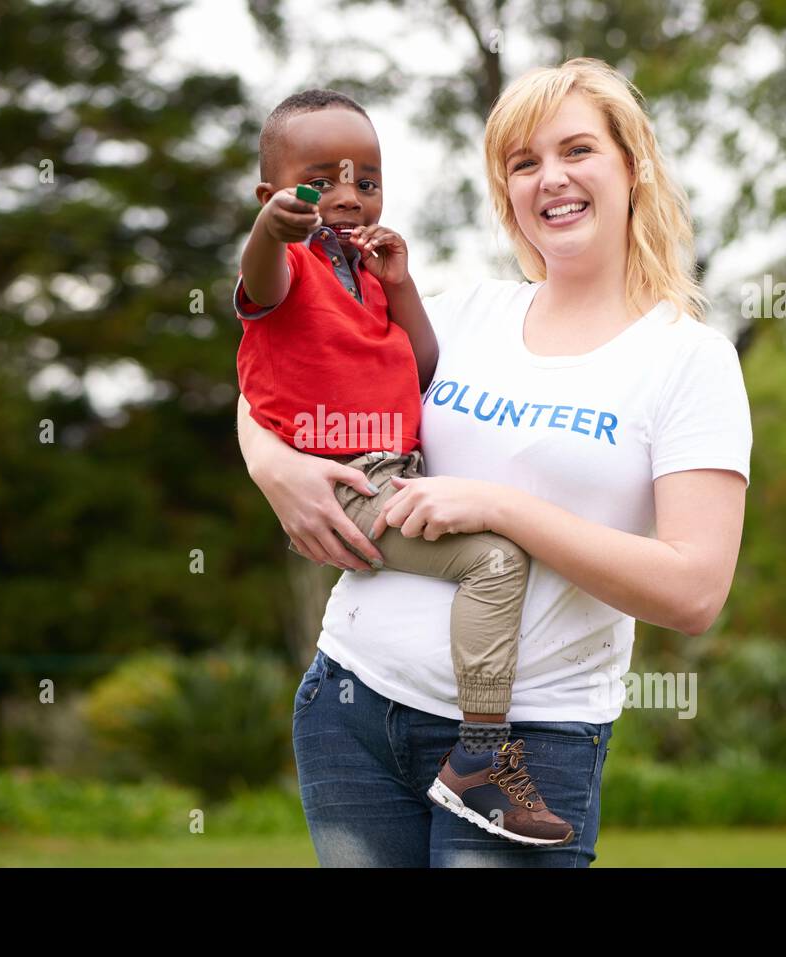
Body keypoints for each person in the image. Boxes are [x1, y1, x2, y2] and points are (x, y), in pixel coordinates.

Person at [237, 58, 753, 867]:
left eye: (577, 150)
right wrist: (274, 469)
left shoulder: (689, 360)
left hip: (530, 743)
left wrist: (499, 507)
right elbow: (282, 368)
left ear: (633, 166)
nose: (552, 178)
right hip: (352, 706)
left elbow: (694, 590)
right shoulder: (465, 313)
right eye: (524, 162)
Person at [233, 88, 573, 844]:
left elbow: (423, 369)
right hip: (348, 479)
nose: (349, 196)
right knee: (493, 560)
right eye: (321, 180)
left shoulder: (366, 278)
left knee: (489, 548)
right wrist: (267, 229)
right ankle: (481, 758)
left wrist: (401, 285)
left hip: (397, 469)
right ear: (273, 193)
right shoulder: (285, 267)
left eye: (368, 180)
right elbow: (259, 282)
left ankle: (478, 751)